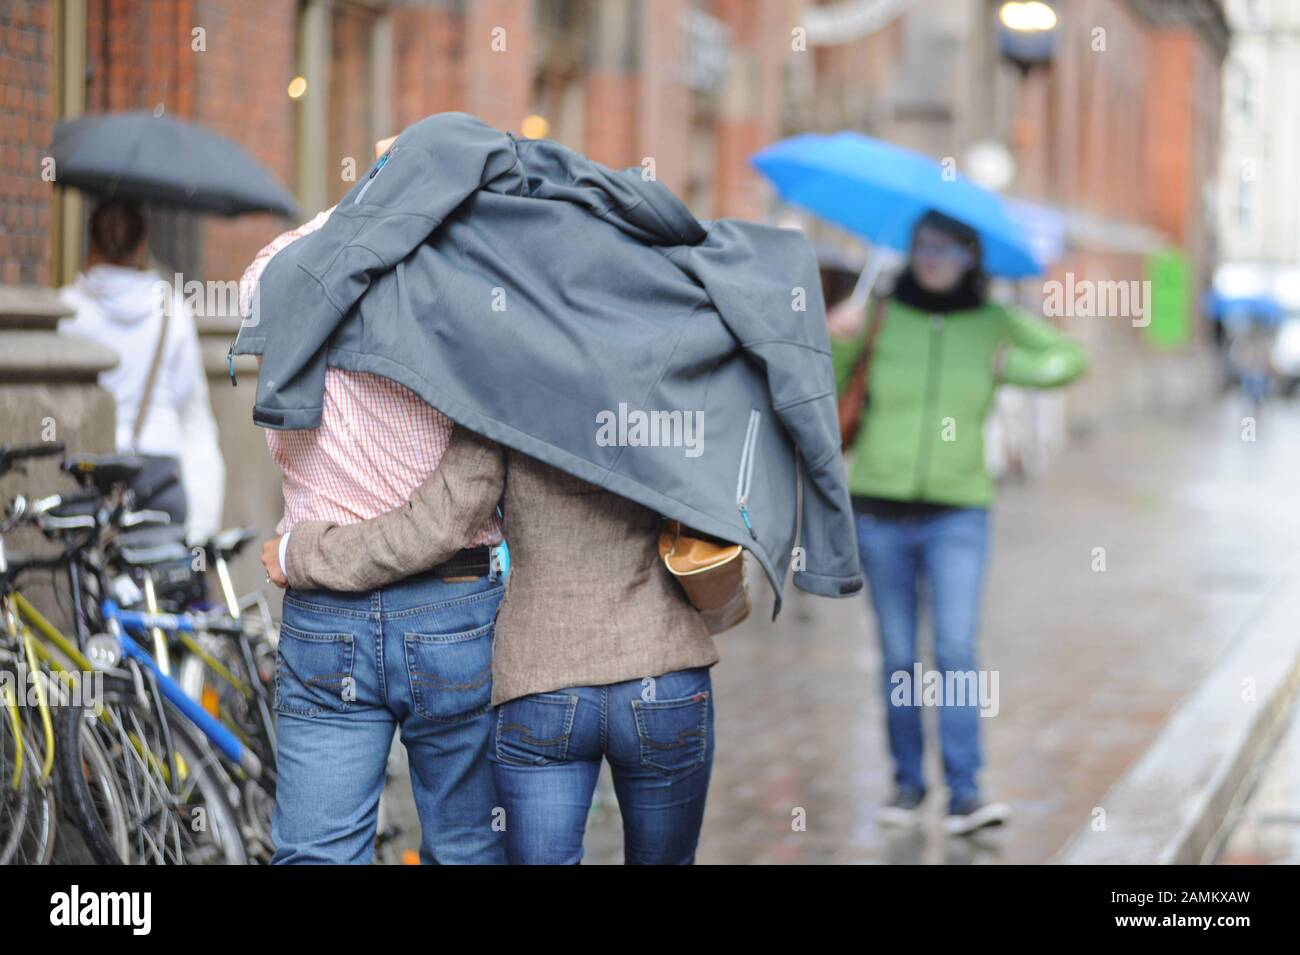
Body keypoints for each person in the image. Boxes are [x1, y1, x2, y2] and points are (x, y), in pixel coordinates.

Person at [262, 426, 729, 865]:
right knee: (470, 848)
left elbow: (450, 511)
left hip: (543, 679)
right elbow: (720, 484)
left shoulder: (504, 375)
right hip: (662, 662)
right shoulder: (668, 372)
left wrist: (300, 553)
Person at [238, 204, 509, 865]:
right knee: (470, 845)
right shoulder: (464, 274)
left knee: (317, 852)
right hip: (452, 604)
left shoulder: (277, 265)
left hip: (326, 608)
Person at [832, 210, 1085, 835]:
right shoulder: (882, 314)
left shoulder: (994, 320)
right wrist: (839, 336)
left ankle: (966, 794)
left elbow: (1068, 359)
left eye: (950, 248)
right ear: (910, 250)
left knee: (954, 651)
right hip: (879, 508)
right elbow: (826, 387)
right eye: (925, 246)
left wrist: (1014, 367)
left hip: (959, 512)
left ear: (971, 258)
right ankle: (907, 785)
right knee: (896, 658)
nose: (935, 258)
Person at [59, 198, 225, 541]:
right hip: (159, 471)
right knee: (158, 584)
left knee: (89, 588)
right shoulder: (172, 309)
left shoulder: (67, 308)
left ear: (91, 244)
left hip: (93, 468)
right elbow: (189, 404)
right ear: (142, 244)